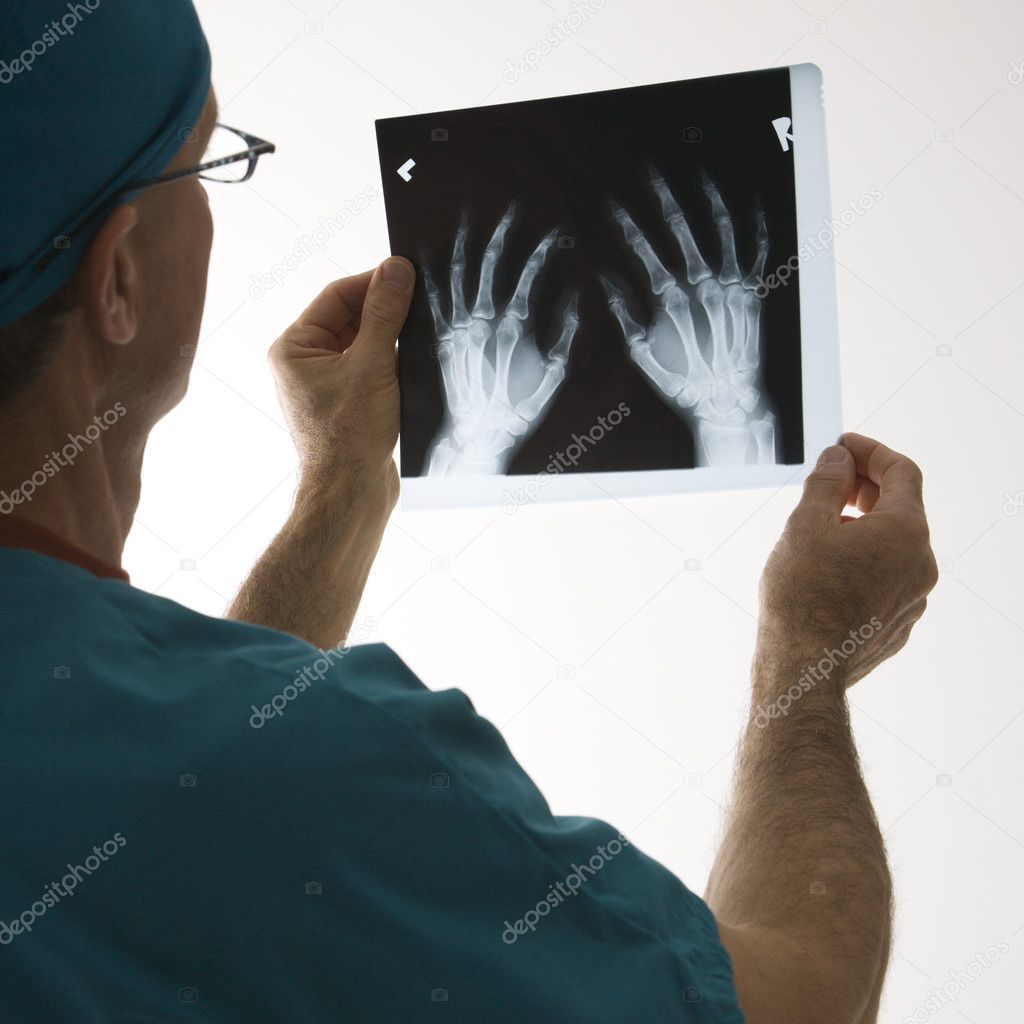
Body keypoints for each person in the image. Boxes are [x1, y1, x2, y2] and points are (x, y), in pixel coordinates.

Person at [0, 2, 938, 1021]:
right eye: (203, 162)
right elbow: (800, 1002)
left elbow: (159, 814)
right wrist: (808, 660)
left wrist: (341, 492)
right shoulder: (329, 772)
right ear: (120, 274)